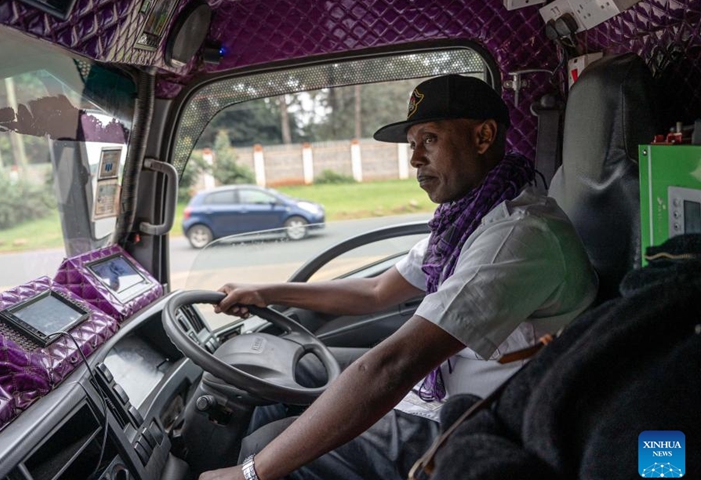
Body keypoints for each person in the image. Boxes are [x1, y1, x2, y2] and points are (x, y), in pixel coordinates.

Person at [200, 75, 598, 480]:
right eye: (412, 144)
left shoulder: (518, 235)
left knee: (264, 448)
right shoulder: (469, 221)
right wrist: (265, 291)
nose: (415, 160)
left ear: (483, 137)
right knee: (275, 385)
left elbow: (395, 366)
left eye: (430, 139)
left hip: (468, 420)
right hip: (436, 391)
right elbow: (376, 291)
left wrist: (250, 473)